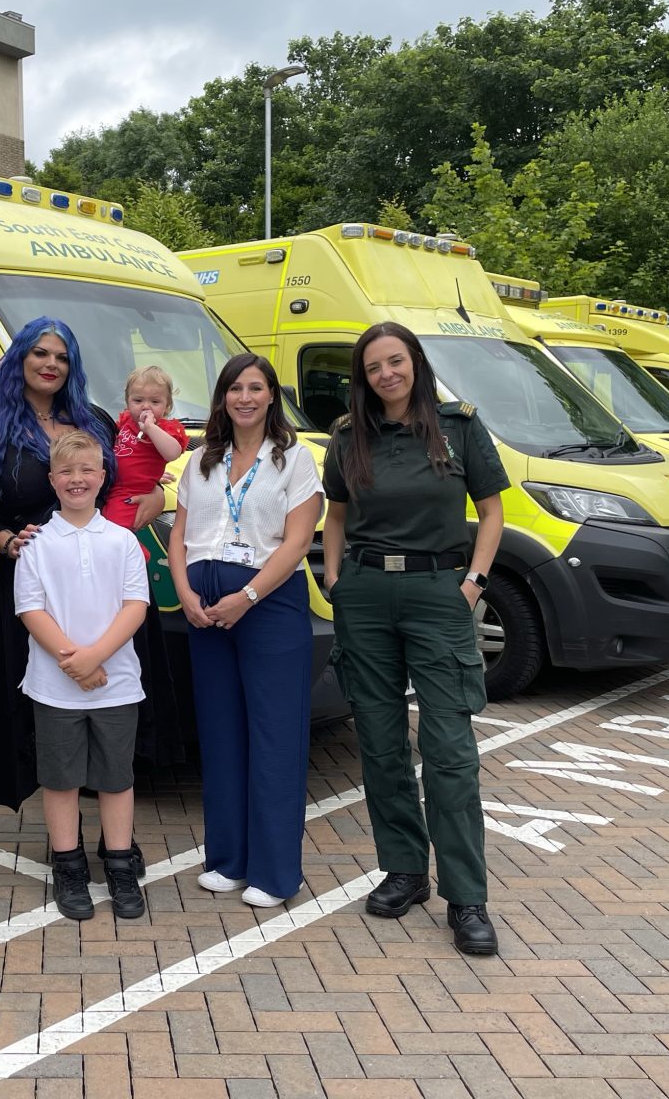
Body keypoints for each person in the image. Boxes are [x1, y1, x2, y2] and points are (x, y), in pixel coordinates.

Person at [320, 322, 507, 955]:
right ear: (363, 378)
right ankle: (404, 870)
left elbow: (492, 509)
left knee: (449, 747)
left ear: (414, 364)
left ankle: (467, 897)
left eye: (395, 362)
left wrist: (474, 583)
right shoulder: (349, 438)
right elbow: (336, 515)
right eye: (373, 367)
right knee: (379, 741)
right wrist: (337, 578)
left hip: (438, 595)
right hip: (367, 598)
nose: (386, 375)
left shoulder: (457, 427)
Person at [0, 319, 177, 820]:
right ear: (20, 358)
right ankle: (62, 841)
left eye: (61, 357)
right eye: (40, 353)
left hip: (106, 588)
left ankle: (112, 836)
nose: (50, 364)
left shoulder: (98, 421)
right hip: (33, 587)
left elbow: (135, 477)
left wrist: (154, 495)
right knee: (36, 711)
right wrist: (2, 539)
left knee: (110, 708)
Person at [167, 353, 321, 908]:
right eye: (235, 388)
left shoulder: (294, 460)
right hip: (204, 606)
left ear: (271, 395)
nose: (245, 397)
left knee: (274, 737)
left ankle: (276, 874)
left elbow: (297, 541)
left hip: (267, 605)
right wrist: (184, 592)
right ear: (222, 397)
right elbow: (180, 534)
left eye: (256, 387)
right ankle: (228, 860)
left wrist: (248, 596)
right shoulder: (202, 459)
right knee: (222, 733)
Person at [16, 431, 150, 921]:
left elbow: (136, 605)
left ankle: (117, 862)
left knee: (116, 778)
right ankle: (67, 864)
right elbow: (31, 608)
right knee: (61, 778)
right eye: (66, 472)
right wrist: (74, 661)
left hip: (115, 683)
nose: (77, 479)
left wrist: (95, 657)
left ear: (102, 476)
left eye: (87, 470)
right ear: (52, 480)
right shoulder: (36, 543)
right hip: (54, 686)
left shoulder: (123, 541)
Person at [102, 365, 187, 530]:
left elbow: (173, 453)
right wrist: (152, 474)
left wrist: (150, 428)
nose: (146, 406)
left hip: (131, 492)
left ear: (167, 406)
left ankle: (139, 554)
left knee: (114, 530)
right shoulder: (127, 422)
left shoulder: (162, 430)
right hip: (114, 486)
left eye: (155, 402)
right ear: (127, 401)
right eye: (138, 400)